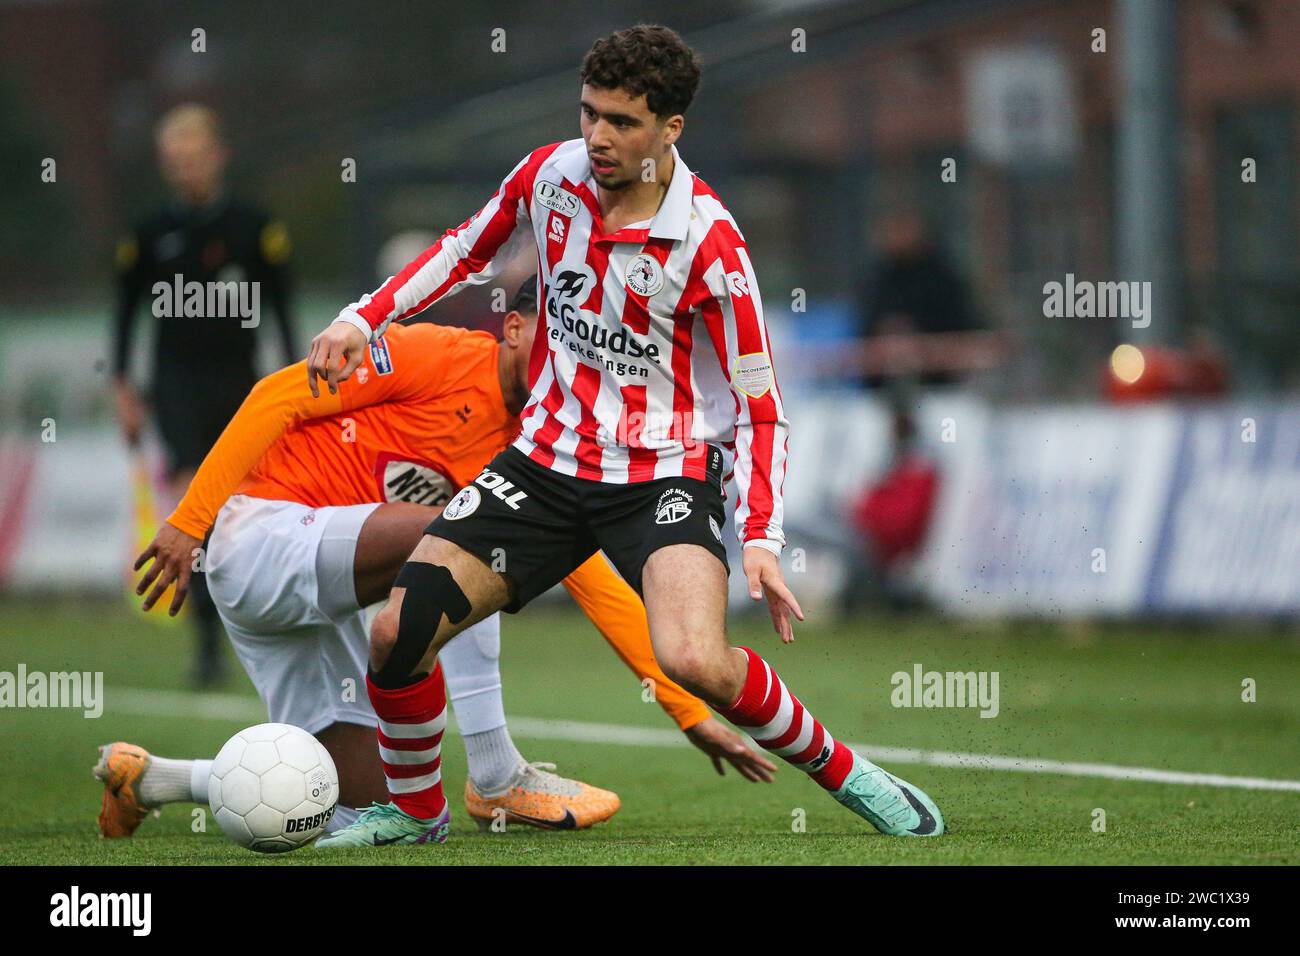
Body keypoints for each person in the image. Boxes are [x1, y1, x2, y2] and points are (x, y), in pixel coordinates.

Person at [307, 24, 944, 847]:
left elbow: (760, 403)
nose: (598, 137)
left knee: (693, 660)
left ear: (671, 128)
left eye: (622, 122)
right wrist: (364, 318)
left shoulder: (711, 243)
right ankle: (414, 812)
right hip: (541, 466)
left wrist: (760, 535)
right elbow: (463, 251)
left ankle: (846, 771)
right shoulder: (549, 178)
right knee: (397, 631)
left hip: (662, 477)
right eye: (589, 114)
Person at [100, 279, 773, 841]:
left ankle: (156, 778)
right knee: (472, 537)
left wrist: (688, 710)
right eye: (561, 337)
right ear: (513, 328)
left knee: (344, 806)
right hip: (259, 537)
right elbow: (275, 397)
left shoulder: (545, 444)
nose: (572, 361)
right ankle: (495, 773)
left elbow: (595, 584)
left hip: (312, 591)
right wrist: (190, 520)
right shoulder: (439, 356)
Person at [111, 104, 297, 686]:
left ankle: (253, 629)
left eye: (194, 156)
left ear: (217, 156)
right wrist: (122, 386)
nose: (185, 169)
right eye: (174, 160)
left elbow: (284, 316)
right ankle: (209, 645)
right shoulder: (147, 236)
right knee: (197, 504)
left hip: (241, 387)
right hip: (176, 387)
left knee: (239, 509)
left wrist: (300, 389)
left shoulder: (254, 228)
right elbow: (124, 316)